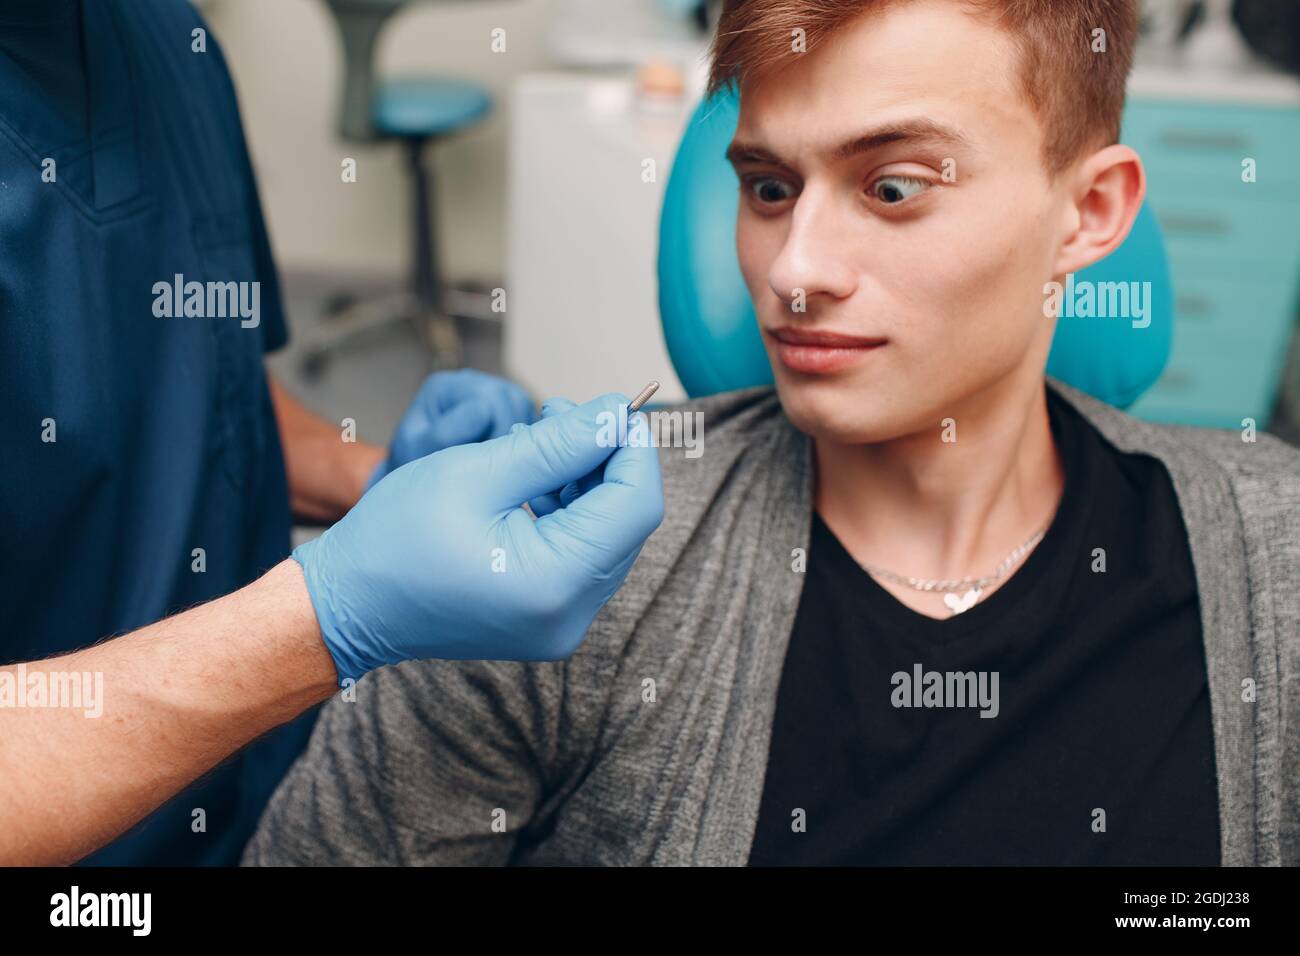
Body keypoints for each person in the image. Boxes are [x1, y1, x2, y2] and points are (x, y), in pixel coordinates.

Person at [244, 0, 1299, 867]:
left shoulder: (1274, 556)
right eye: (768, 188)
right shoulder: (568, 575)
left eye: (891, 187)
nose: (794, 271)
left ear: (1089, 213)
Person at [0, 0, 661, 865]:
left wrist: (383, 477)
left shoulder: (171, 39)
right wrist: (326, 617)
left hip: (284, 782)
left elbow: (201, 383)